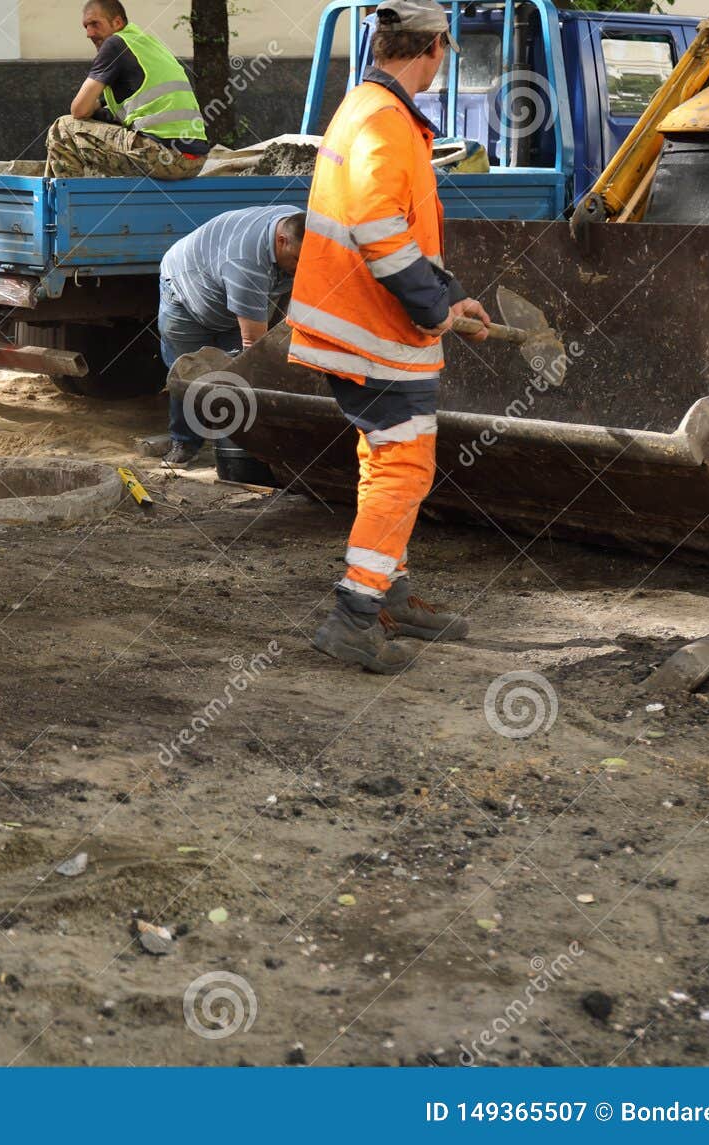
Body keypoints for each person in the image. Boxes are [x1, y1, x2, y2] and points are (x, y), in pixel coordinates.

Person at [288, 0, 491, 675]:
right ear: (432, 48)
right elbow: (378, 228)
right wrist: (431, 308)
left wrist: (448, 294)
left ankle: (391, 595)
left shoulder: (366, 109)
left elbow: (400, 227)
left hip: (357, 324)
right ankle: (354, 615)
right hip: (376, 331)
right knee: (405, 468)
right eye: (444, 54)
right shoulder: (384, 119)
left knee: (385, 461)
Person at [158, 206, 304, 465]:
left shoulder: (299, 224)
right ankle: (184, 443)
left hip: (232, 290)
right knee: (189, 374)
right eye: (296, 260)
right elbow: (254, 347)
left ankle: (236, 446)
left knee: (234, 376)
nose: (301, 268)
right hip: (186, 291)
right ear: (281, 241)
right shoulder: (247, 263)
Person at [45, 0, 208, 179]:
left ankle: (66, 195)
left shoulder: (114, 44)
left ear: (117, 22)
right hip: (194, 161)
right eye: (86, 26)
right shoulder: (147, 44)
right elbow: (135, 107)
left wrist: (92, 107)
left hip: (162, 157)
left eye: (95, 24)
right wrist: (100, 107)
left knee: (63, 127)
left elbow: (79, 110)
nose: (89, 33)